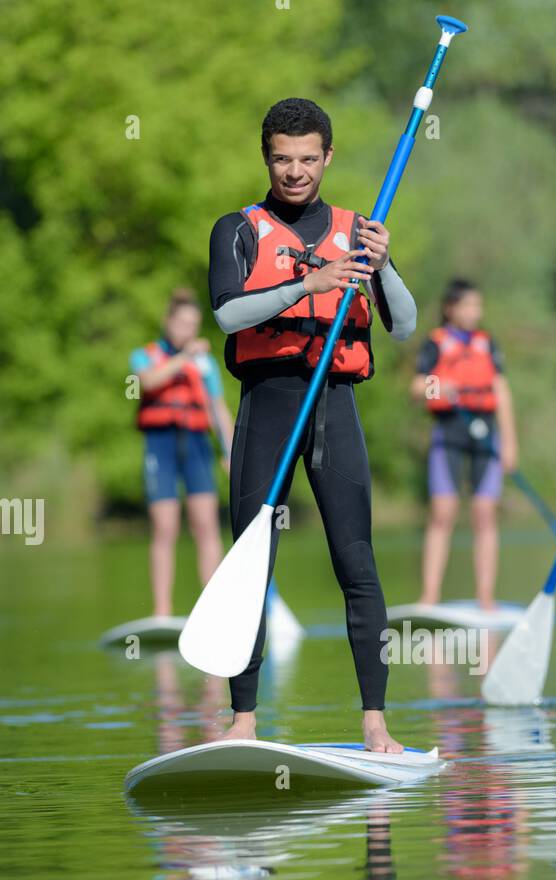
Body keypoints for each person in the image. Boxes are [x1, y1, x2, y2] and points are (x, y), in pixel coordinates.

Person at [208, 97, 417, 752]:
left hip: (334, 405)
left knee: (356, 564)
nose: (293, 172)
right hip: (267, 402)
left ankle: (375, 722)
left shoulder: (362, 231)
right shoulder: (236, 229)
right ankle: (243, 720)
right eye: (280, 159)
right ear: (265, 158)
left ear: (327, 157)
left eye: (306, 159)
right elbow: (227, 317)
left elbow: (404, 326)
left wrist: (382, 269)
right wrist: (308, 284)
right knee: (250, 561)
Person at [410, 280, 518, 610]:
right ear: (450, 308)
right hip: (450, 431)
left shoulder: (487, 344)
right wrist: (438, 387)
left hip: (486, 431)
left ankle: (486, 597)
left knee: (484, 513)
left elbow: (501, 392)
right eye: (468, 306)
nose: (474, 313)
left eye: (478, 306)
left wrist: (510, 442)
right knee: (443, 512)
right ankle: (430, 596)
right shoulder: (435, 343)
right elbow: (416, 389)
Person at [131, 289, 233, 618]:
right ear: (168, 322)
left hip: (197, 444)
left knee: (205, 524)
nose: (187, 330)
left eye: (193, 324)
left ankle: (213, 606)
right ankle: (162, 611)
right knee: (165, 528)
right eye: (182, 323)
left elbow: (218, 408)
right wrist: (185, 357)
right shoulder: (145, 355)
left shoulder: (206, 364)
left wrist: (231, 452)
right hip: (160, 444)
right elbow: (146, 383)